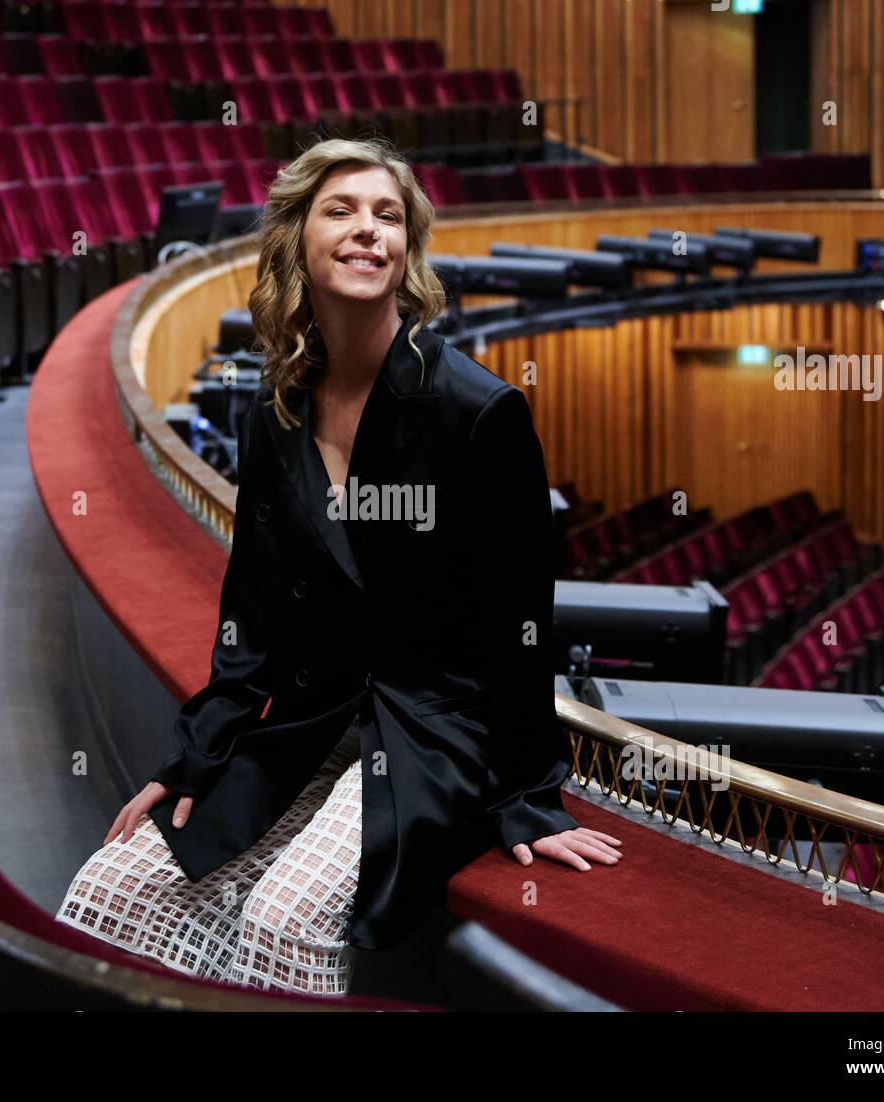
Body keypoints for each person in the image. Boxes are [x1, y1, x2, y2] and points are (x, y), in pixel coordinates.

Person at [57, 137, 623, 997]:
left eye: (388, 216)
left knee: (281, 921)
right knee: (115, 885)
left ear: (407, 251)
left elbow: (521, 627)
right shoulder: (275, 409)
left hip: (437, 733)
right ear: (296, 243)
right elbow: (248, 618)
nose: (368, 231)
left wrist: (525, 797)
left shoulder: (479, 412)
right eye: (342, 210)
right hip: (318, 721)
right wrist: (191, 757)